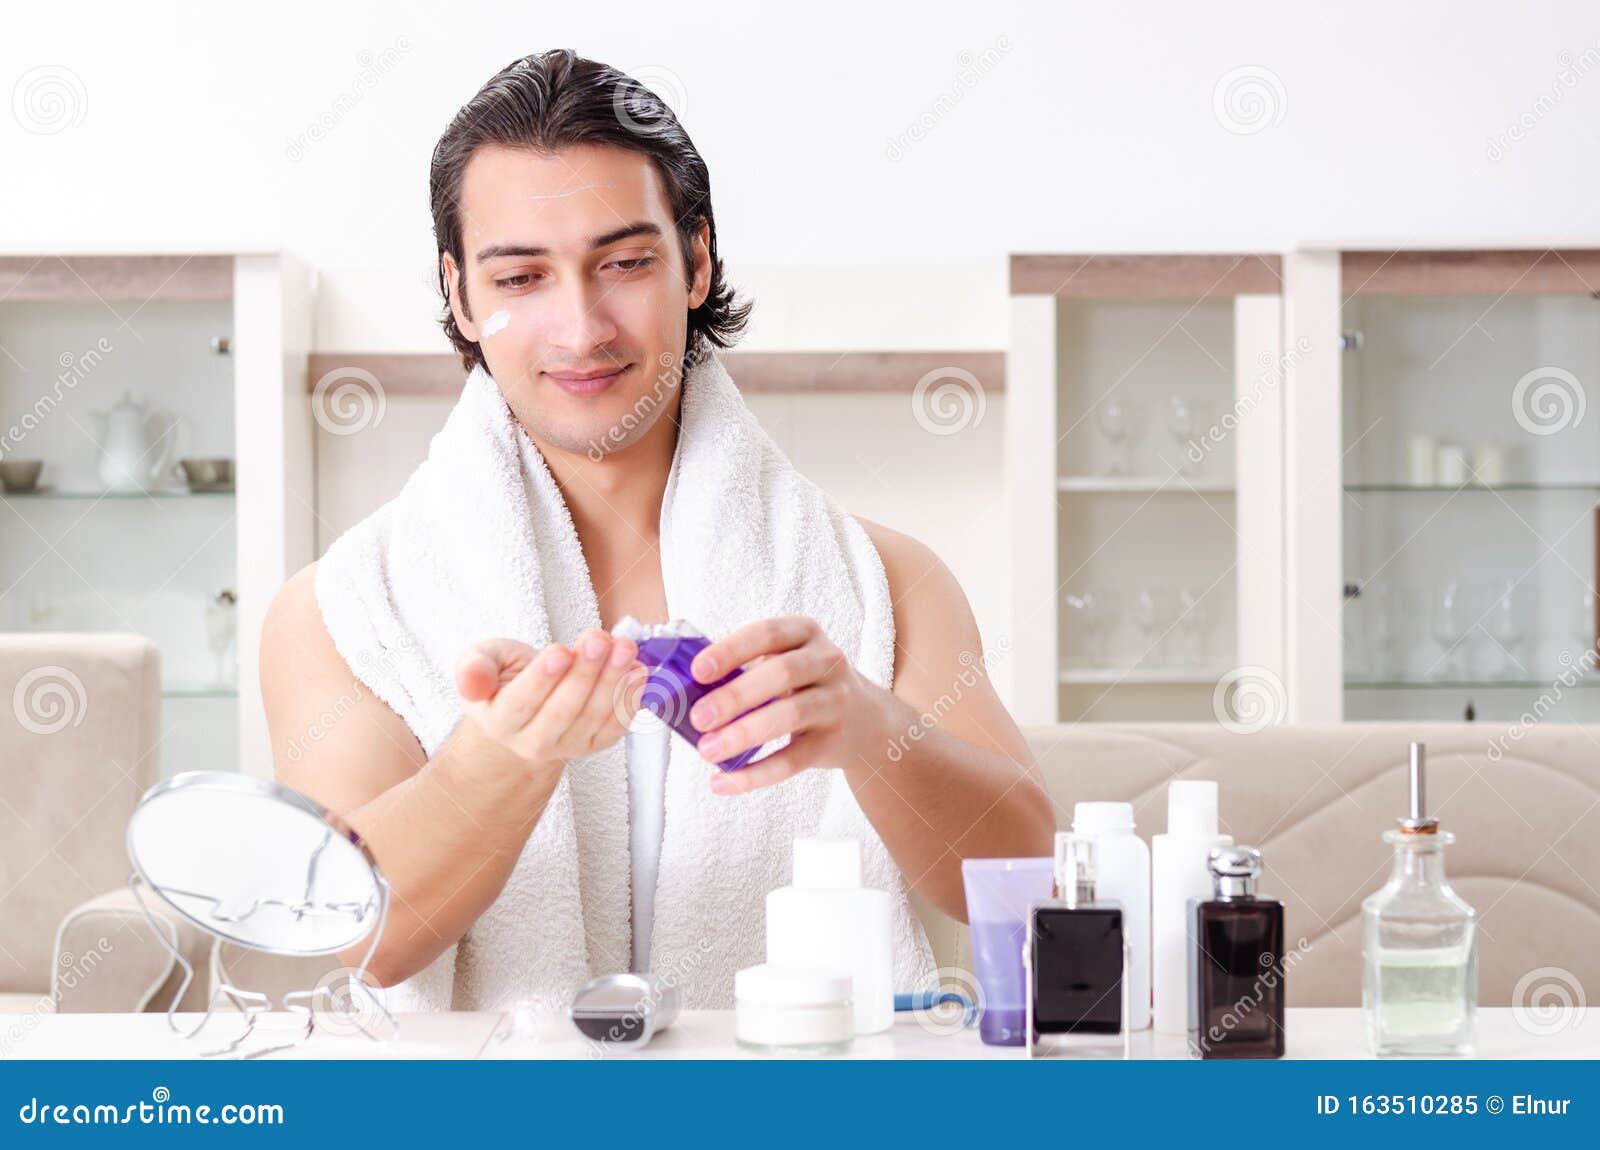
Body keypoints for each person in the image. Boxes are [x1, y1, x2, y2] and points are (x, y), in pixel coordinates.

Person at [261, 49, 1053, 1001]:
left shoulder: (885, 582)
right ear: (462, 296)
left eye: (626, 263)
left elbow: (1032, 875)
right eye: (521, 279)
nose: (582, 327)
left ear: (697, 262)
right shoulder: (347, 608)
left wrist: (868, 727)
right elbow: (364, 936)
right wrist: (501, 761)